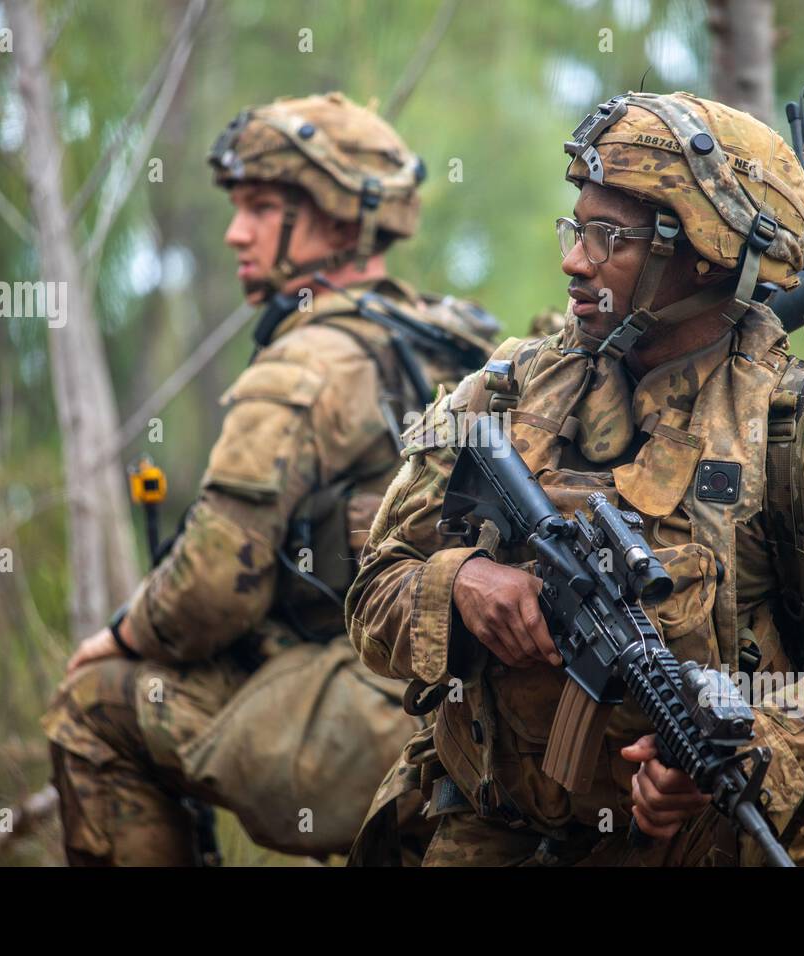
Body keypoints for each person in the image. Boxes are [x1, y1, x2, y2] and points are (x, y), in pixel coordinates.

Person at [346, 91, 804, 866]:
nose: (574, 260)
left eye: (607, 238)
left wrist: (759, 742)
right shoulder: (501, 396)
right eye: (575, 226)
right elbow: (373, 587)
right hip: (503, 830)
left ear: (699, 254)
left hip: (702, 835)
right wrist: (460, 586)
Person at [43, 92, 498, 865]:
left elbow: (212, 588)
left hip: (381, 715)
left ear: (340, 220)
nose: (235, 231)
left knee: (90, 705)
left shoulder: (307, 364)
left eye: (260, 207)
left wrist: (119, 634)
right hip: (471, 705)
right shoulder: (454, 338)